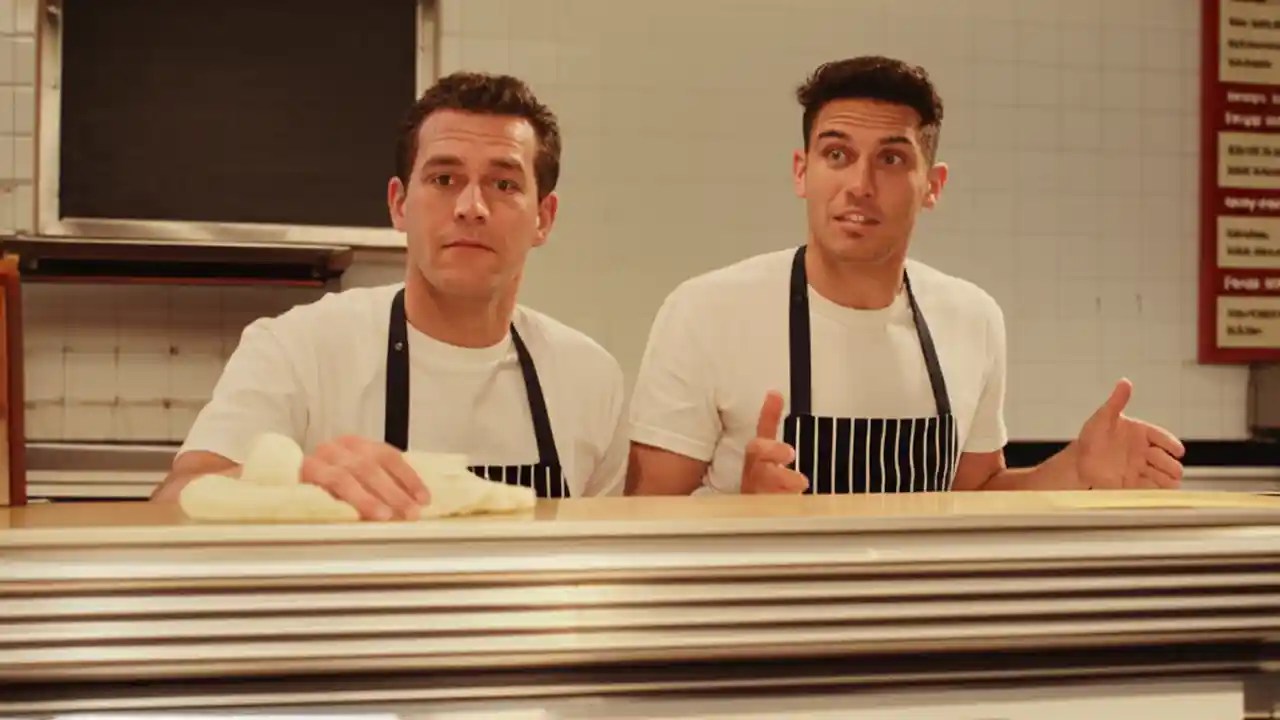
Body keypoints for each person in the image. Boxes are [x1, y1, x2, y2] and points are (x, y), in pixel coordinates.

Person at [625, 56, 1185, 496]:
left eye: (891, 159)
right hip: (764, 631)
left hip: (922, 625)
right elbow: (644, 517)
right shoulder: (706, 311)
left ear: (933, 184)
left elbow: (975, 495)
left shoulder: (972, 319)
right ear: (803, 171)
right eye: (837, 154)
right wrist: (743, 513)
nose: (860, 185)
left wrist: (1074, 468)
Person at [152, 72, 628, 518]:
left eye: (503, 184)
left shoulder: (590, 378)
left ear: (544, 217)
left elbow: (605, 556)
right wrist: (285, 480)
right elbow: (169, 503)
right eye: (445, 179)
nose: (471, 207)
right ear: (399, 204)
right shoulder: (298, 346)